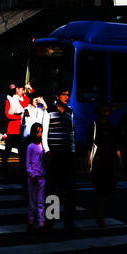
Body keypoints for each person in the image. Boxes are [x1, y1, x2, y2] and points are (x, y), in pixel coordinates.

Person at [45, 87, 77, 236]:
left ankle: (69, 223)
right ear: (57, 96)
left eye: (68, 95)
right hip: (53, 154)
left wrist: (72, 150)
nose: (66, 97)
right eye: (64, 95)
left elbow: (71, 132)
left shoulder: (70, 112)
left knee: (69, 190)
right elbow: (45, 132)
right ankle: (50, 222)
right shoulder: (49, 110)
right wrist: (47, 150)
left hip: (67, 155)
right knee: (52, 189)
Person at [88, 101, 123, 230]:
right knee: (100, 191)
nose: (105, 113)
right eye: (103, 111)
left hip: (108, 161)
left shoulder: (111, 126)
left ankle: (100, 216)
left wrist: (119, 159)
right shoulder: (94, 125)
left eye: (107, 111)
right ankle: (100, 218)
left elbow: (116, 144)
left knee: (106, 191)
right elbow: (90, 143)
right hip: (98, 160)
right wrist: (89, 160)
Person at [25, 121, 47, 234]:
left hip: (42, 178)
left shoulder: (43, 146)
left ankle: (41, 223)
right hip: (33, 178)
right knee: (32, 201)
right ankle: (31, 222)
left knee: (40, 202)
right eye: (37, 132)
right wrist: (32, 175)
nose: (40, 134)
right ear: (33, 133)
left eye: (41, 132)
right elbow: (28, 164)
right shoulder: (30, 147)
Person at [2, 84, 29, 171]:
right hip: (12, 129)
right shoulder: (9, 100)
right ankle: (3, 168)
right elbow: (7, 115)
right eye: (21, 89)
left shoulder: (23, 99)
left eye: (24, 90)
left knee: (21, 152)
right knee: (8, 150)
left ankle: (22, 170)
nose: (23, 92)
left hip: (21, 129)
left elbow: (30, 99)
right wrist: (19, 117)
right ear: (17, 89)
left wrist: (30, 89)